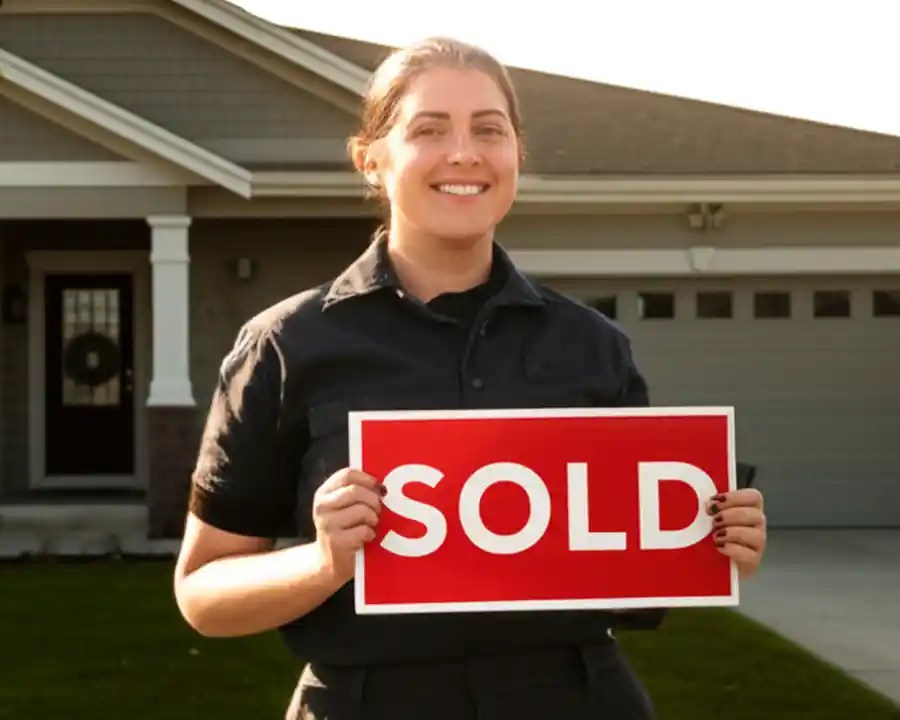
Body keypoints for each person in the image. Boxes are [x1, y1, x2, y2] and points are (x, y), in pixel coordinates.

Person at [173, 36, 768, 720]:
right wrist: (326, 563)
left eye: (490, 129)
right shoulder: (285, 346)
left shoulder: (592, 347)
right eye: (429, 129)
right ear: (370, 157)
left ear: (517, 152)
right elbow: (203, 594)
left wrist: (711, 544)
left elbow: (631, 578)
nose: (464, 153)